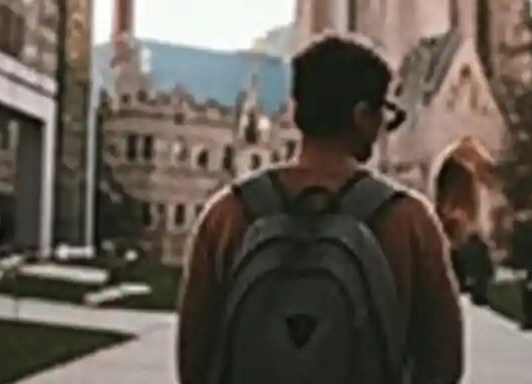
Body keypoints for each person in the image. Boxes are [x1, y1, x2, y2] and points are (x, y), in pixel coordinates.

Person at [176, 33, 464, 384]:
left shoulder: (227, 214)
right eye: (383, 114)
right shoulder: (408, 221)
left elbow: (194, 358)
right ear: (362, 116)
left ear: (297, 112)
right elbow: (443, 362)